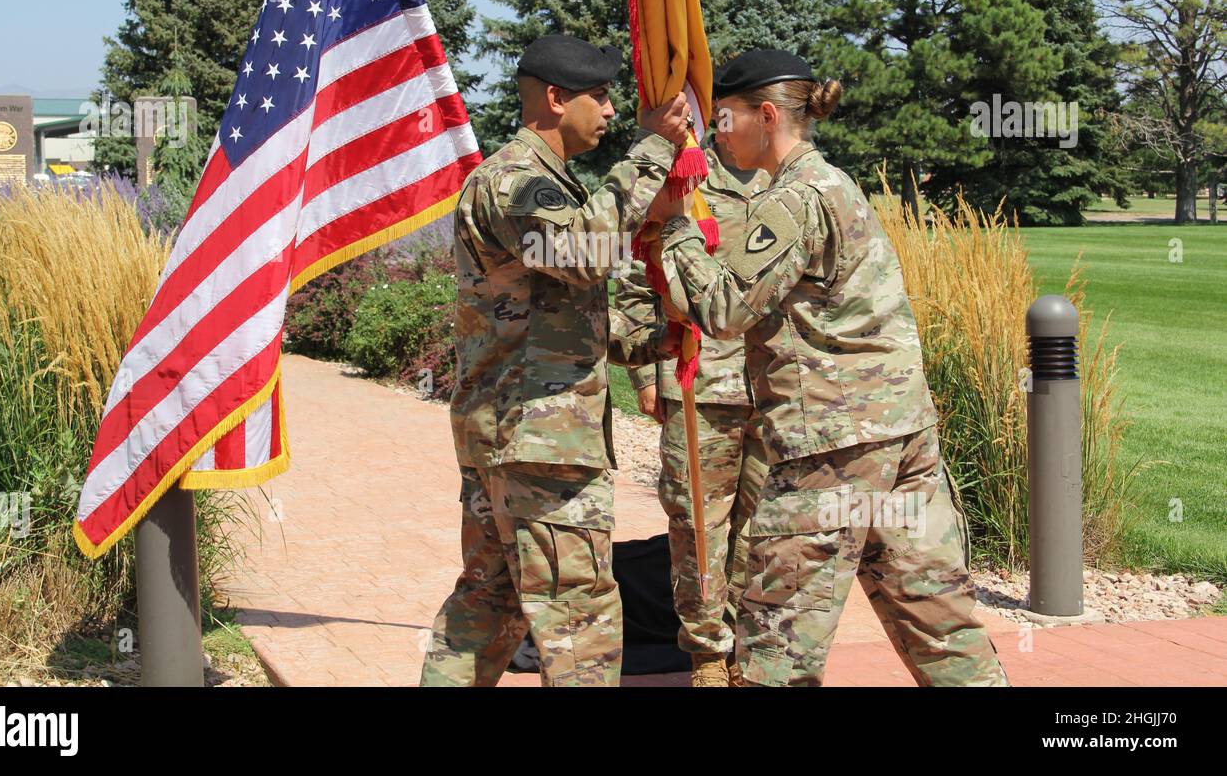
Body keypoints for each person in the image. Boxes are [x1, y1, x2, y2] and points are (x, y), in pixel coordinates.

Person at [647, 48, 1009, 687]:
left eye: (725, 121)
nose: (719, 137)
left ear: (766, 115)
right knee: (938, 622)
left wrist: (674, 227)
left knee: (774, 644)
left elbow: (725, 308)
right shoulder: (834, 184)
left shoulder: (796, 198)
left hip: (832, 448)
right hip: (901, 434)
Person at [419, 34, 692, 687]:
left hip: (522, 436)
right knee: (581, 628)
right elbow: (584, 254)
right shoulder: (516, 183)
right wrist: (653, 147)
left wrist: (664, 337)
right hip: (538, 442)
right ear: (554, 97)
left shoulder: (553, 188)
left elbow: (575, 318)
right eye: (598, 94)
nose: (611, 108)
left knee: (489, 608)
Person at [613, 137, 768, 687]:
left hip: (775, 389)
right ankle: (705, 654)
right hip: (700, 384)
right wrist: (648, 373)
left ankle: (750, 648)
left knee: (766, 528)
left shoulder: (789, 187)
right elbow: (637, 284)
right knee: (697, 527)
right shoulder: (684, 184)